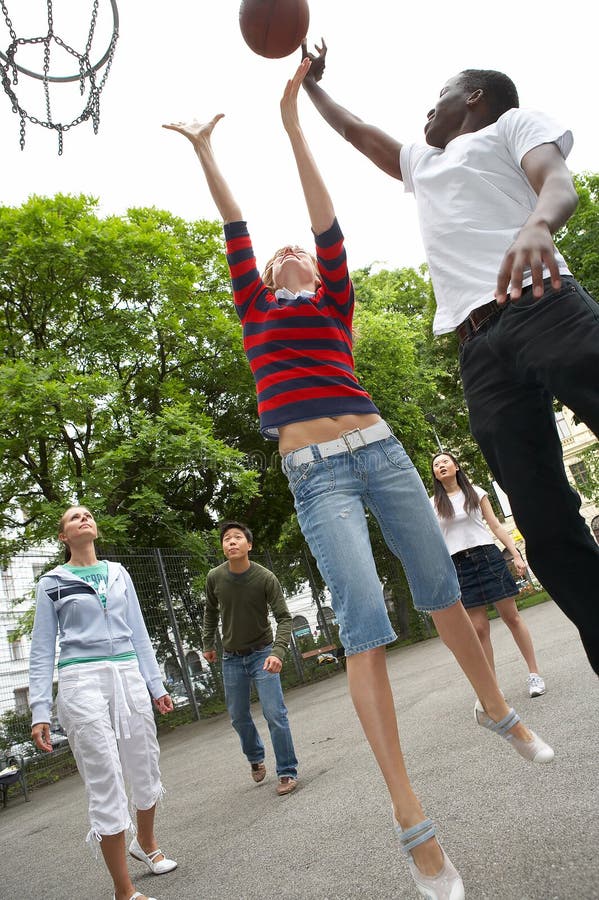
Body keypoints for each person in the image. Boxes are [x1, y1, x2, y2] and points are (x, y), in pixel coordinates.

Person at [164, 59, 553, 900]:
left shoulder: (334, 298)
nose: (288, 251)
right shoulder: (256, 309)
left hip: (378, 448)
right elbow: (235, 221)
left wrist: (294, 124)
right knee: (366, 625)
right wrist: (205, 150)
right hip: (316, 474)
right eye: (276, 256)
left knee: (440, 589)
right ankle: (416, 831)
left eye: (297, 248)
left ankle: (497, 712)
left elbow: (321, 211)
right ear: (264, 279)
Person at [300, 43, 599, 678]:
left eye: (439, 94)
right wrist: (312, 86)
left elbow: (557, 180)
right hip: (478, 347)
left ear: (473, 98)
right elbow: (357, 134)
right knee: (542, 519)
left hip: (542, 301)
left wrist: (539, 224)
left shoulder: (508, 128)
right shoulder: (424, 162)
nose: (425, 109)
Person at [29, 506, 177, 900]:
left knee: (145, 763)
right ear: (63, 537)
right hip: (82, 681)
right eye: (74, 517)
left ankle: (144, 842)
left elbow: (140, 633)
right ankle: (123, 890)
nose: (84, 518)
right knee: (105, 776)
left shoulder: (118, 572)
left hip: (127, 673)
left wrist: (155, 684)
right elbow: (42, 650)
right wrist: (39, 710)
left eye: (88, 514)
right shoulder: (51, 583)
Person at [431, 452, 546, 699]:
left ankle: (534, 674)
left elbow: (494, 524)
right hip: (459, 565)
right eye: (436, 465)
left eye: (444, 461)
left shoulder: (476, 492)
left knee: (512, 617)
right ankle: (493, 689)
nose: (440, 466)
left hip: (487, 557)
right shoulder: (433, 504)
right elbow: (435, 541)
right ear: (435, 474)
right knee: (479, 628)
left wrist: (515, 553)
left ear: (456, 466)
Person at [202, 521, 298, 796]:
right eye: (226, 539)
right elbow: (210, 612)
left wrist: (278, 652)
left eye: (237, 538)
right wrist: (208, 643)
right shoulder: (215, 577)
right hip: (231, 658)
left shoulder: (265, 578)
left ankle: (287, 772)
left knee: (274, 713)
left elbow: (284, 618)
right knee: (238, 717)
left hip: (262, 654)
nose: (231, 542)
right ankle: (255, 757)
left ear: (249, 545)